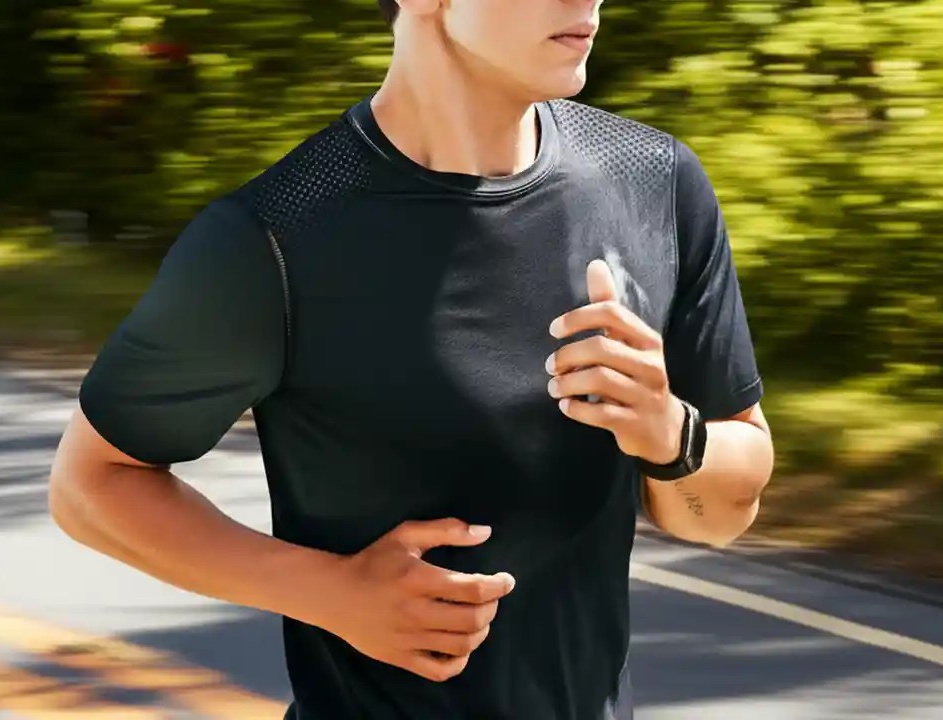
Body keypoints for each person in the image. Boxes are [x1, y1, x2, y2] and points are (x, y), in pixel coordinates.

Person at [48, 0, 775, 717]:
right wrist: (327, 592)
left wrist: (671, 434)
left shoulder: (654, 181)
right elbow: (91, 486)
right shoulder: (274, 240)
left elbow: (716, 517)